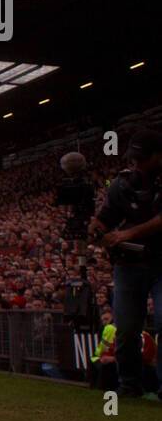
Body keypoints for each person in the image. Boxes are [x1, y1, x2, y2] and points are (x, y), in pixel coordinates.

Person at [88, 127, 162, 397]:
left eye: (143, 159)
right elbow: (105, 215)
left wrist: (127, 233)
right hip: (129, 265)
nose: (137, 164)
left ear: (159, 156)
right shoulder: (122, 183)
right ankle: (129, 385)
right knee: (127, 329)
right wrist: (96, 228)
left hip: (159, 262)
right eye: (134, 159)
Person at [90, 308, 117, 393]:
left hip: (112, 357)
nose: (104, 322)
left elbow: (103, 347)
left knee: (94, 360)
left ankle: (96, 388)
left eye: (106, 319)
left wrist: (97, 354)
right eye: (103, 320)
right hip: (117, 357)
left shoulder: (109, 328)